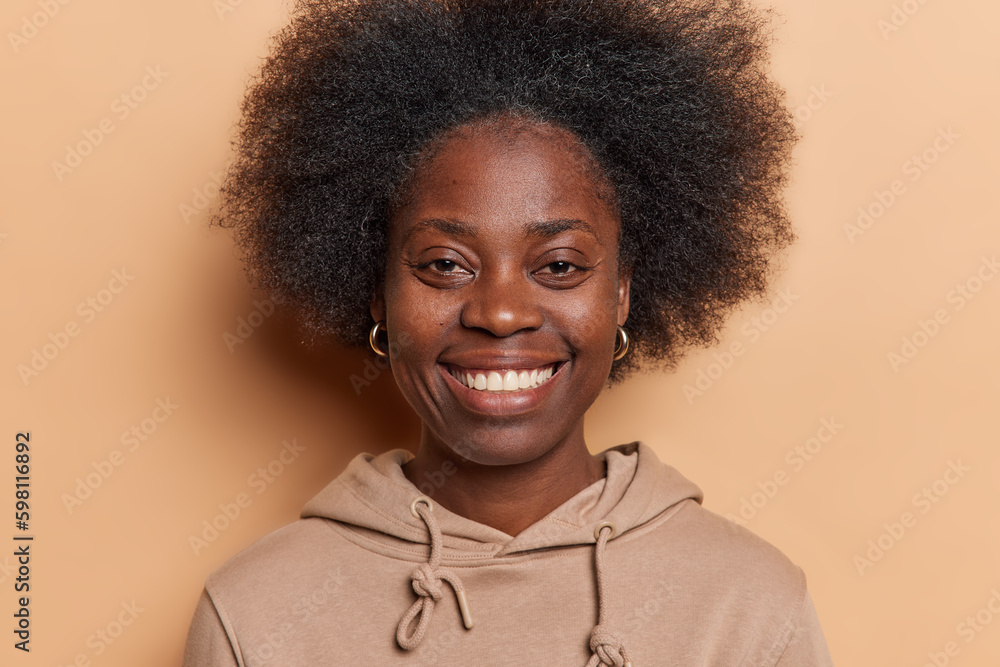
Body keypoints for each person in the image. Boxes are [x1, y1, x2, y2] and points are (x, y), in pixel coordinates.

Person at [182, 0, 834, 664]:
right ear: (378, 292)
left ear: (622, 292)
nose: (499, 313)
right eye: (443, 264)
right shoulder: (255, 614)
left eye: (558, 265)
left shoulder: (749, 606)